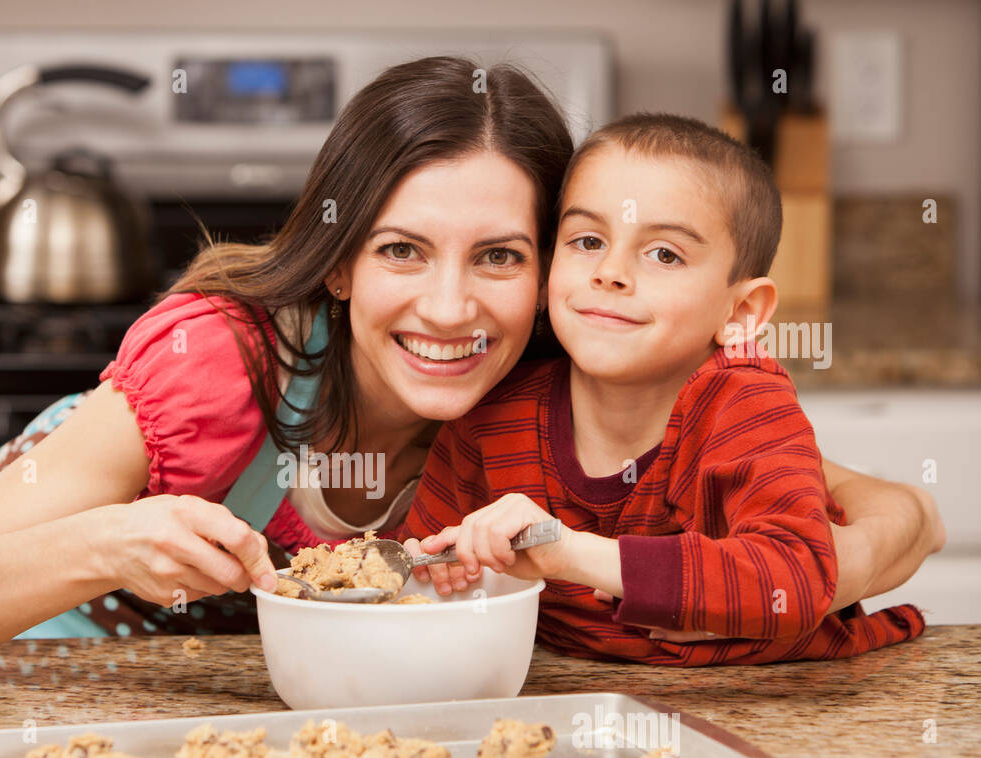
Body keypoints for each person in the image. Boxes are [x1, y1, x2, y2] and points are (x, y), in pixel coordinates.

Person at [0, 61, 941, 672]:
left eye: (501, 258)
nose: (447, 309)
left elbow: (901, 519)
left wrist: (784, 589)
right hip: (12, 704)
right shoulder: (223, 364)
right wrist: (107, 542)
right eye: (400, 251)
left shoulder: (566, 390)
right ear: (337, 263)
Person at [402, 113, 944, 664]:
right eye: (587, 240)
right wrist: (444, 569)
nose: (610, 272)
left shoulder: (743, 405)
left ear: (741, 312)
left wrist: (565, 551)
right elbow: (416, 579)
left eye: (665, 254)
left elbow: (799, 577)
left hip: (773, 704)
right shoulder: (496, 414)